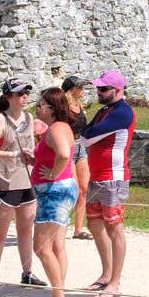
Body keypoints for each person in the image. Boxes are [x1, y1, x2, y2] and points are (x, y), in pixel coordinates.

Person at [0, 78, 45, 297]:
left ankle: (27, 272)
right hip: (4, 181)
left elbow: (32, 146)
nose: (24, 96)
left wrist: (33, 155)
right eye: (19, 93)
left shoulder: (29, 117)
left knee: (26, 229)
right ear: (9, 96)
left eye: (26, 92)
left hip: (27, 180)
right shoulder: (0, 119)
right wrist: (14, 155)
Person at [78, 70, 135, 297]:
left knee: (114, 227)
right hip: (97, 175)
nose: (98, 92)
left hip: (113, 176)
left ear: (117, 90)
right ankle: (106, 274)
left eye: (103, 89)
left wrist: (88, 133)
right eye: (98, 88)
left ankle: (115, 282)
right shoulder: (105, 111)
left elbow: (88, 137)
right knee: (95, 224)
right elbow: (86, 134)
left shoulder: (123, 112)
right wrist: (88, 133)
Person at [30, 87, 81, 297]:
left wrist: (52, 173)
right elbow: (57, 154)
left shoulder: (57, 129)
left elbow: (62, 155)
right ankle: (58, 292)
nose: (37, 108)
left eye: (41, 104)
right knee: (57, 246)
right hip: (60, 189)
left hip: (54, 191)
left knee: (41, 247)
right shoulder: (60, 127)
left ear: (51, 108)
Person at [62, 75, 92, 241]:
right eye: (80, 87)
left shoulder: (78, 105)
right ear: (72, 89)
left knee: (83, 189)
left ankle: (78, 229)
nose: (83, 90)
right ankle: (60, 226)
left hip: (80, 147)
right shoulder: (63, 107)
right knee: (71, 189)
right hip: (68, 148)